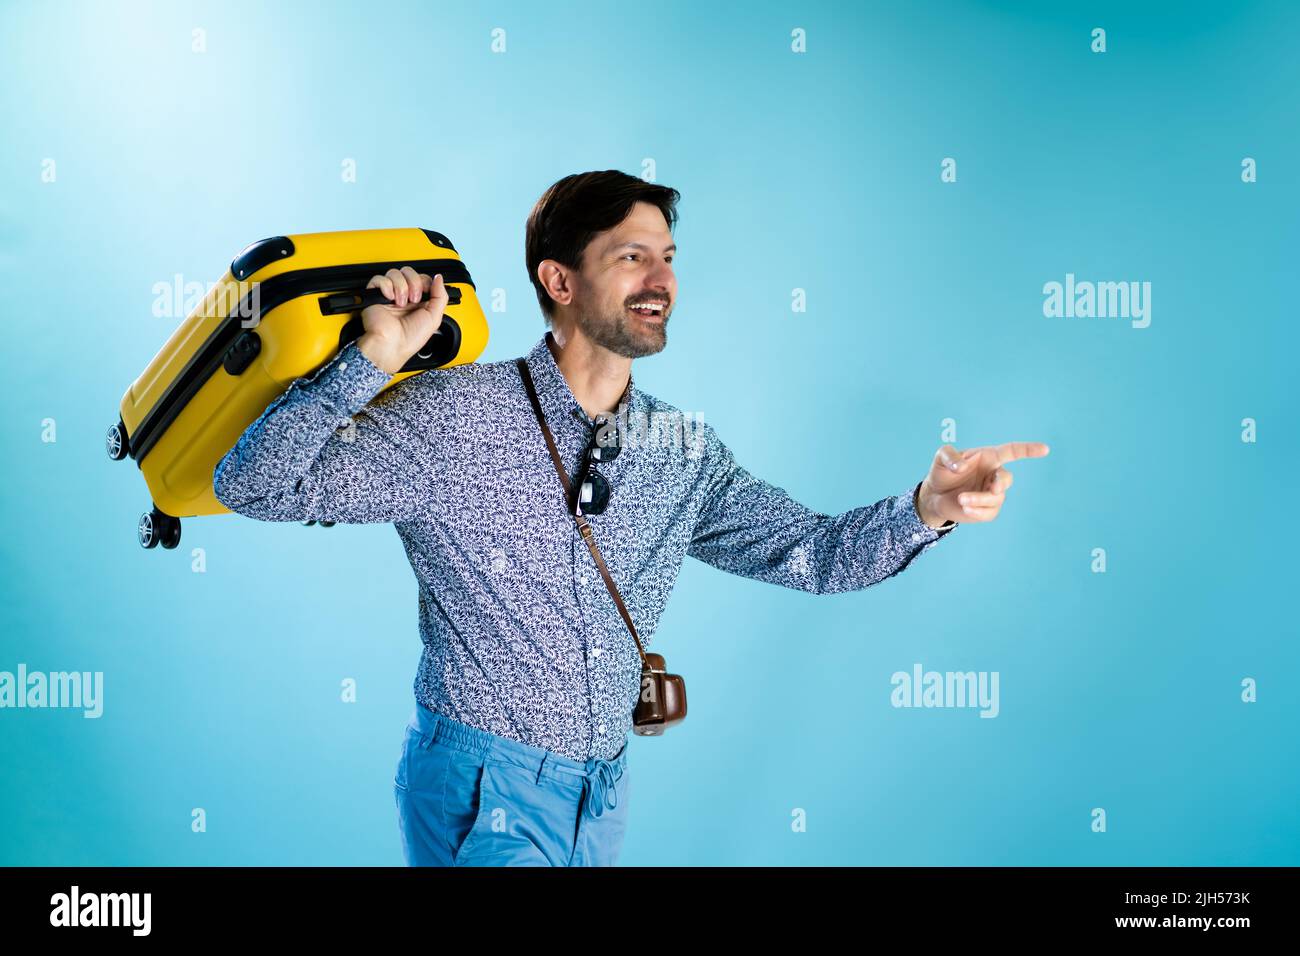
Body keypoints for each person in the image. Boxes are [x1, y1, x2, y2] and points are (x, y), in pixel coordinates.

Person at [212, 169, 1050, 866]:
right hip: (483, 785)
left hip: (601, 798)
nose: (662, 279)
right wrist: (375, 357)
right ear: (560, 280)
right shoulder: (451, 415)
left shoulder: (682, 449)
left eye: (669, 257)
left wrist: (922, 510)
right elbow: (255, 484)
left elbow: (815, 555)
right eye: (632, 257)